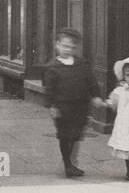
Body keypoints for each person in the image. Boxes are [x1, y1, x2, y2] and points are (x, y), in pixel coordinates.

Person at [41, 27, 104, 178]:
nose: (68, 50)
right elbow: (48, 89)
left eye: (72, 47)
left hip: (81, 106)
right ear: (57, 45)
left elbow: (91, 82)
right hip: (62, 107)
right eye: (64, 46)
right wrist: (51, 106)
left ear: (76, 48)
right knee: (65, 135)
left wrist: (96, 96)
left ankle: (71, 162)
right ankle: (68, 164)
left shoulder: (82, 65)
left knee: (76, 134)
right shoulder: (52, 68)